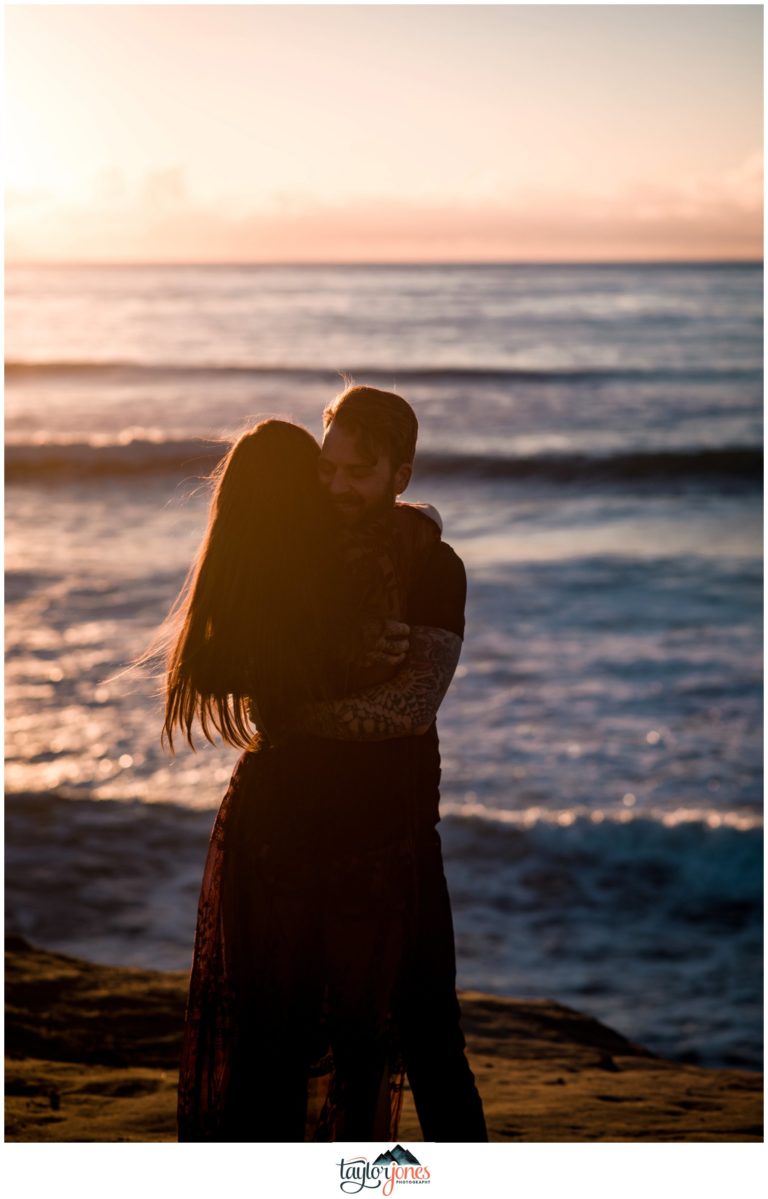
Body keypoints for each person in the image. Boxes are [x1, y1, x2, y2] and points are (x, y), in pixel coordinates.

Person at [172, 393, 486, 1141]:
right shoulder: (291, 549)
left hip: (393, 837)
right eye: (329, 468)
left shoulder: (431, 566)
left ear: (400, 473)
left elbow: (408, 707)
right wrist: (326, 662)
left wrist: (292, 711)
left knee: (428, 1039)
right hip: (281, 832)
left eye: (360, 472)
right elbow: (217, 659)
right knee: (271, 1046)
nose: (338, 487)